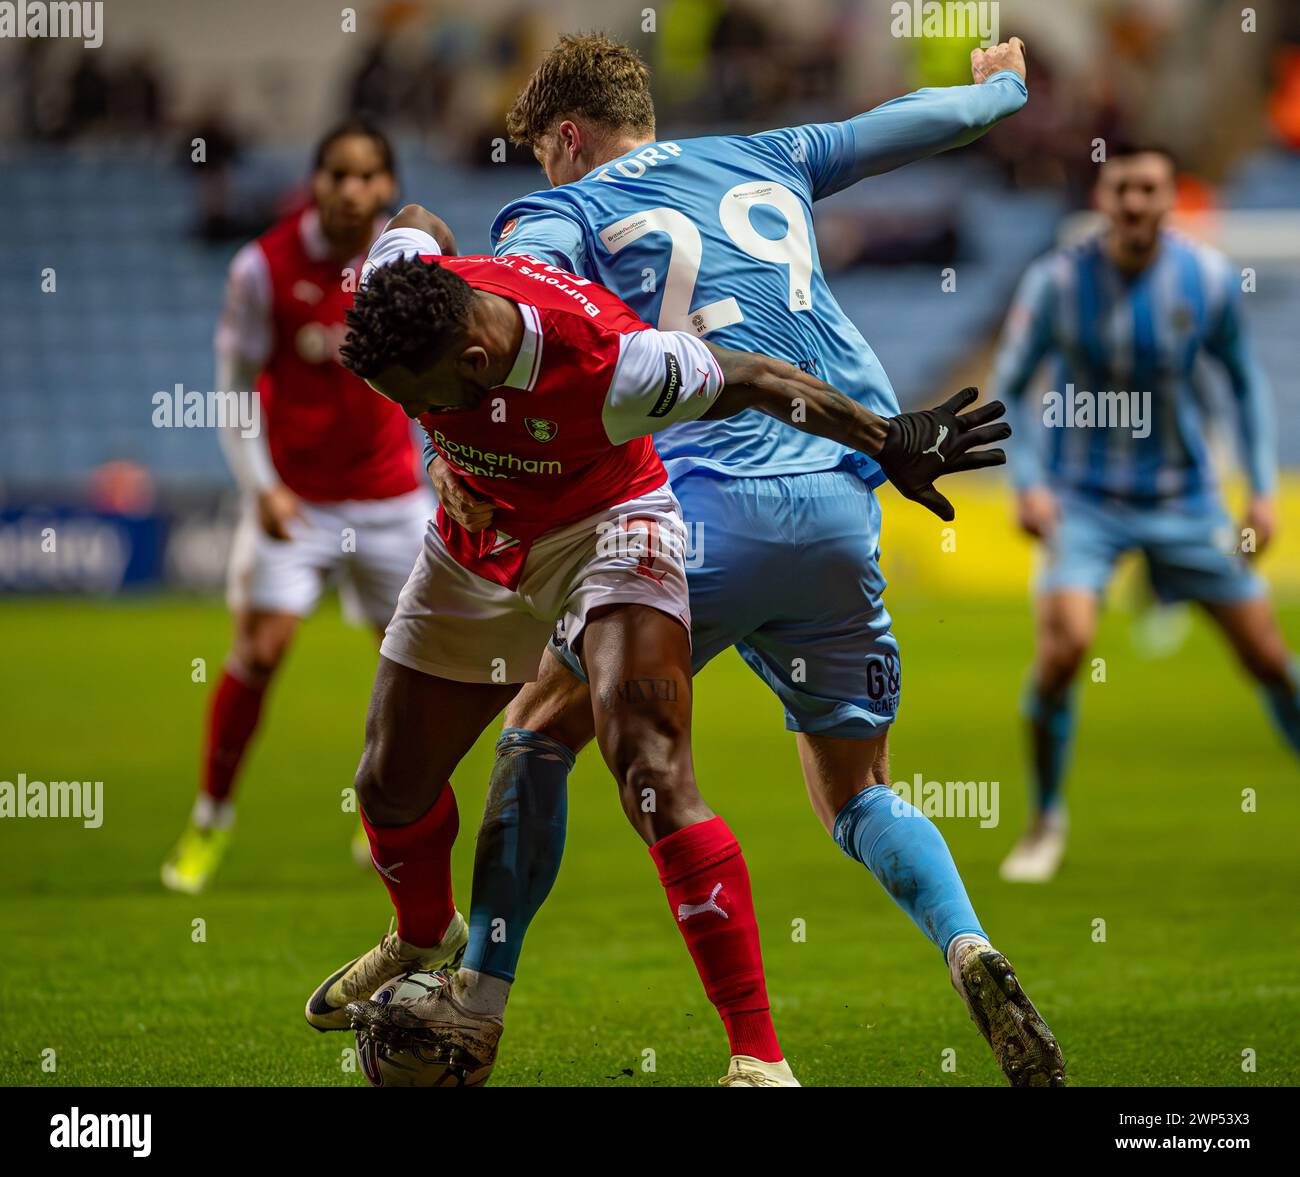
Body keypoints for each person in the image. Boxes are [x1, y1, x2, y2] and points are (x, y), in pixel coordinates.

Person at [399, 33, 1065, 1087]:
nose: (544, 174)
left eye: (544, 154)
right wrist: (1004, 86)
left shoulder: (556, 213)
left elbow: (485, 332)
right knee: (856, 791)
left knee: (535, 735)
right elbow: (935, 122)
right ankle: (966, 943)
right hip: (844, 502)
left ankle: (477, 1007)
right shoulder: (772, 152)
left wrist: (447, 452)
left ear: (566, 137)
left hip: (700, 513)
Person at [302, 213, 1007, 1086]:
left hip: (608, 527)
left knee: (648, 762)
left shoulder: (613, 361)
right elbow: (415, 222)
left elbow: (755, 378)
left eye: (417, 396)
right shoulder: (405, 285)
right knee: (387, 783)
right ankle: (422, 931)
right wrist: (441, 458)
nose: (410, 413)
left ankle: (759, 1056)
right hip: (476, 534)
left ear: (475, 366)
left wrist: (886, 439)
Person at [995, 144, 1297, 882]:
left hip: (1184, 500)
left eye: (1150, 189)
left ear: (1170, 198)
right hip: (1083, 500)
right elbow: (1009, 386)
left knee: (1266, 656)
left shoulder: (1207, 277)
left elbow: (1245, 384)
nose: (1135, 202)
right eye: (1122, 187)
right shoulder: (1058, 281)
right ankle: (1044, 819)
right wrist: (1028, 483)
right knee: (1064, 650)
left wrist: (1260, 489)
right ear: (1102, 195)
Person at [161, 122, 443, 894]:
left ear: (387, 187)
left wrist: (447, 465)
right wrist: (262, 487)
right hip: (298, 499)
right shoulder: (263, 267)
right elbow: (234, 389)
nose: (353, 190)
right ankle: (210, 819)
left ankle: (386, 810)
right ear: (315, 181)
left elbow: (446, 374)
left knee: (421, 667)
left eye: (367, 177)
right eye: (338, 175)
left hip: (390, 498)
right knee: (260, 651)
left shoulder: (407, 260)